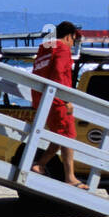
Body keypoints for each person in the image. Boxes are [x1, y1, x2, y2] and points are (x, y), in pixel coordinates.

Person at [30, 21, 86, 188]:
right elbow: (59, 73)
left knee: (60, 134)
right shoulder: (62, 48)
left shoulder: (46, 48)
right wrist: (66, 99)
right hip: (56, 99)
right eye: (73, 40)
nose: (73, 44)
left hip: (41, 97)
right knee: (68, 134)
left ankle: (40, 165)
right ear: (68, 36)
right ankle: (69, 177)